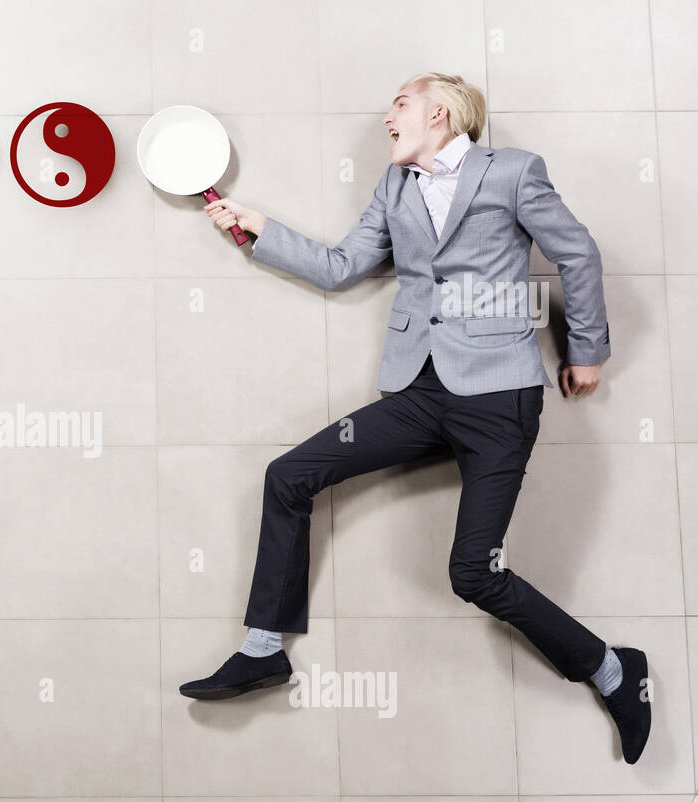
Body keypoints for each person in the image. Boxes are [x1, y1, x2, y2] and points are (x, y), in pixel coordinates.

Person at [181, 72, 650, 764]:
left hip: (498, 399)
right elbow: (343, 265)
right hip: (421, 394)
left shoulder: (513, 173)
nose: (385, 118)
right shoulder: (394, 186)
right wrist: (261, 231)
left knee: (474, 575)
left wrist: (586, 351)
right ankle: (262, 650)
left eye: (398, 104)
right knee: (289, 475)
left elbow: (576, 252)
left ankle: (614, 670)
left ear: (441, 111)